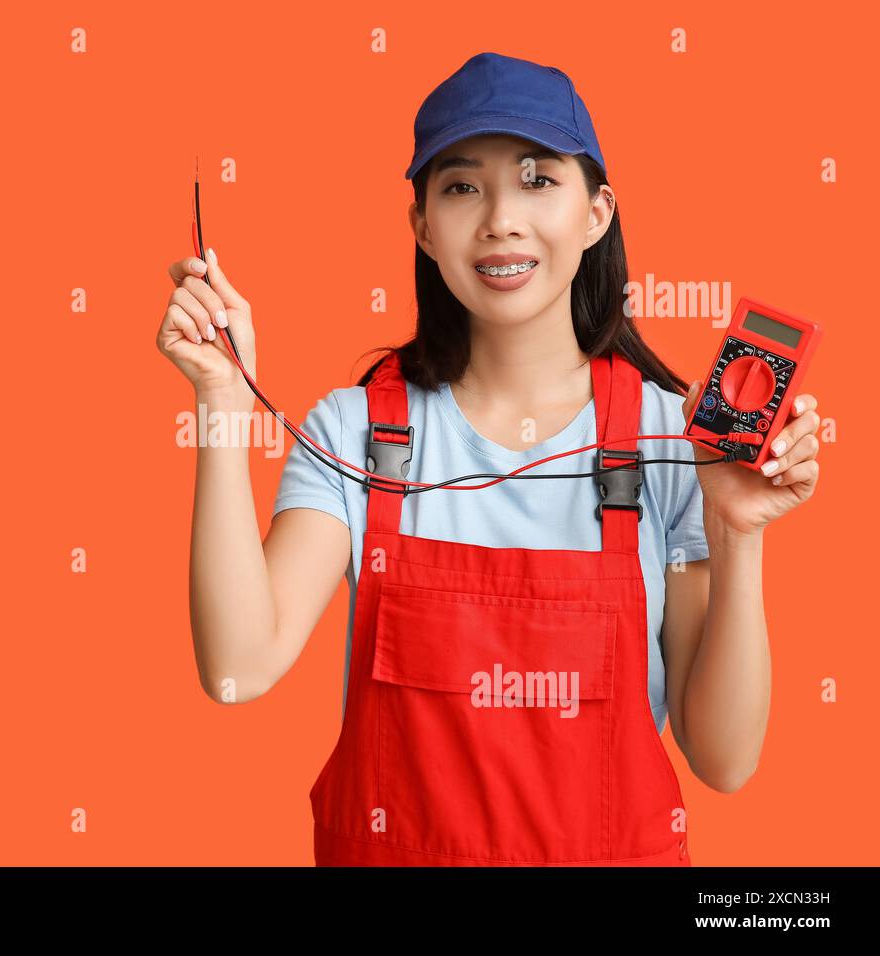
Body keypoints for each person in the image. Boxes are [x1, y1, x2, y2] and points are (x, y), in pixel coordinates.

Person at [155, 52, 822, 866]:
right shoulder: (359, 434)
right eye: (463, 186)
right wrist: (222, 404)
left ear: (597, 213)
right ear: (423, 227)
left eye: (538, 180)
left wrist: (735, 529)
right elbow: (237, 666)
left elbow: (725, 761)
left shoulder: (669, 443)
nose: (501, 218)